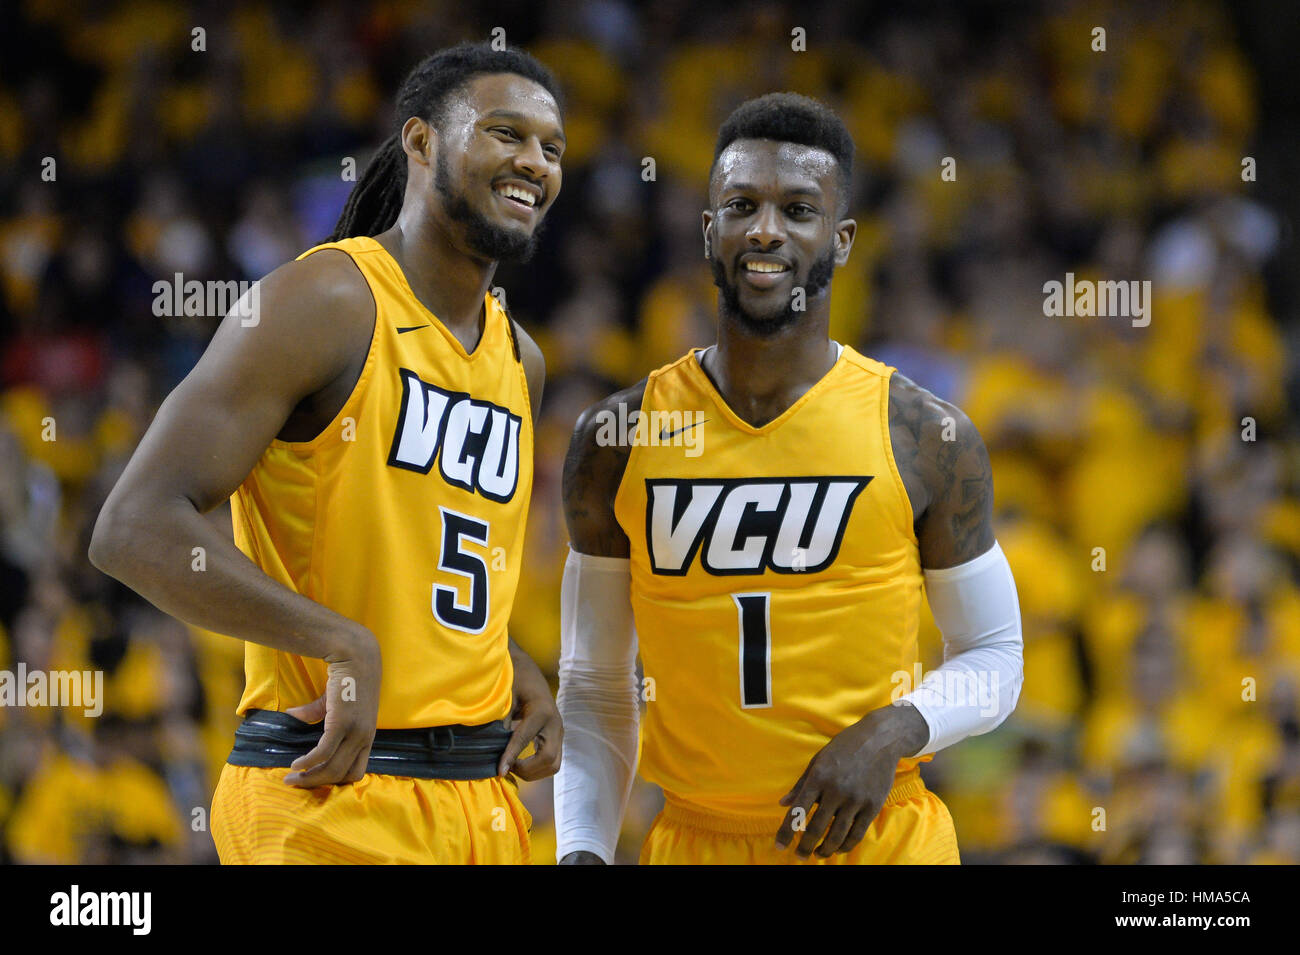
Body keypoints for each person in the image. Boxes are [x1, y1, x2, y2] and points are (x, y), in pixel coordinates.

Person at [89, 43, 567, 864]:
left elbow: (415, 551)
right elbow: (133, 525)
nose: (535, 161)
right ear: (420, 143)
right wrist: (336, 641)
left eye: (552, 148)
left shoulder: (522, 359)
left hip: (480, 801)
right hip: (327, 796)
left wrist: (507, 659)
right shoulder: (324, 300)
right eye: (506, 133)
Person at [554, 92, 1024, 865]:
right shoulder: (614, 437)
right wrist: (583, 850)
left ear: (840, 239)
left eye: (798, 209)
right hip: (696, 838)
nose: (766, 228)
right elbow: (597, 682)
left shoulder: (924, 433)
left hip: (880, 838)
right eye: (741, 205)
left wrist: (897, 727)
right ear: (710, 233)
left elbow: (996, 656)